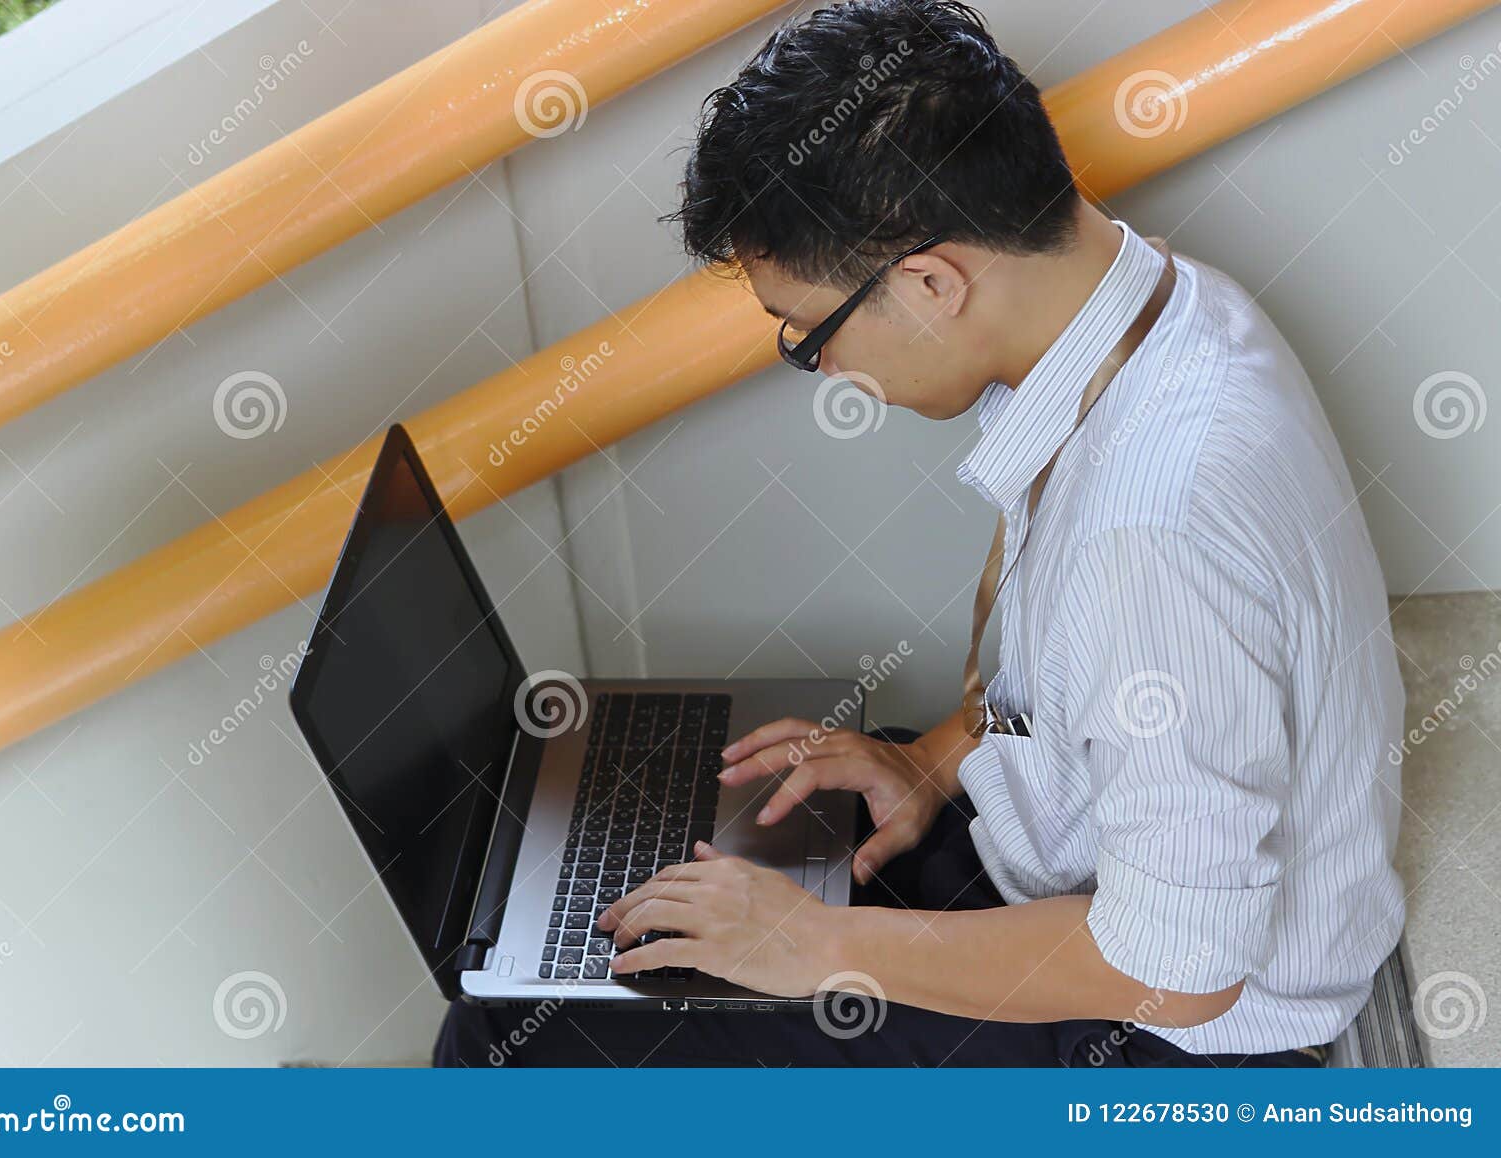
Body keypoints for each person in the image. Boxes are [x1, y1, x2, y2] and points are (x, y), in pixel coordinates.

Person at [436, 0, 1403, 1067]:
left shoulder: (1148, 534)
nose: (824, 371)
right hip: (1068, 863)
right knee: (721, 841)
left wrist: (813, 944)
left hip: (1163, 1035)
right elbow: (1085, 680)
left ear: (932, 283)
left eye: (807, 339)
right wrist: (944, 760)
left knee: (510, 1034)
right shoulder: (1159, 311)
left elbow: (1173, 968)